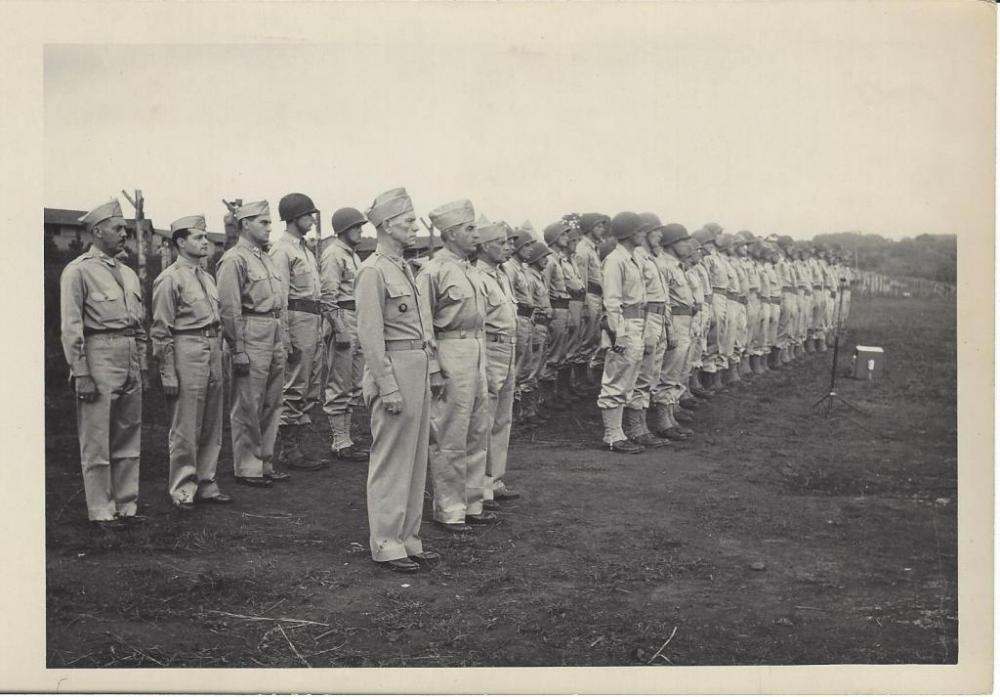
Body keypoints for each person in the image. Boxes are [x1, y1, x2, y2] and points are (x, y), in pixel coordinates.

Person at [356, 187, 441, 572]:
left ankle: (408, 537)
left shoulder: (405, 266)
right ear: (387, 225)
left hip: (416, 364)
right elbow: (371, 337)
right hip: (393, 367)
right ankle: (386, 542)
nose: (414, 227)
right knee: (391, 458)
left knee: (415, 458)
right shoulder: (373, 270)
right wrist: (387, 385)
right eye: (407, 221)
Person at [60, 199, 150, 527]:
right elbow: (71, 326)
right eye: (118, 228)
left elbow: (138, 325)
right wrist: (80, 371)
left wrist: (141, 366)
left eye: (125, 228)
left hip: (127, 354)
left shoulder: (127, 274)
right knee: (96, 436)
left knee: (128, 432)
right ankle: (101, 511)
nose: (125, 234)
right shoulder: (78, 271)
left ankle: (126, 505)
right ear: (97, 232)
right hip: (98, 353)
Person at [418, 199, 496, 531]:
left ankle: (473, 501)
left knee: (479, 428)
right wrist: (434, 367)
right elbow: (424, 325)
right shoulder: (433, 270)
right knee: (450, 432)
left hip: (476, 348)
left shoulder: (470, 269)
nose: (476, 235)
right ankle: (450, 509)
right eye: (469, 229)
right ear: (450, 234)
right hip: (450, 350)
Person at [151, 215, 231, 510]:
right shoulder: (170, 279)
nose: (204, 242)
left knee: (212, 420)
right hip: (187, 346)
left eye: (205, 237)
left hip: (212, 346)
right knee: (186, 423)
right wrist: (167, 371)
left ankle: (207, 482)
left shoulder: (207, 277)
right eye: (197, 237)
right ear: (180, 243)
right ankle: (183, 487)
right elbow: (161, 330)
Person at [216, 200, 290, 487]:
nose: (269, 227)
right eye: (263, 222)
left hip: (272, 329)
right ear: (245, 224)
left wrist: (283, 337)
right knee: (248, 402)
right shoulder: (235, 259)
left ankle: (265, 462)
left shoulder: (266, 258)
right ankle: (247, 466)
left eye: (269, 222)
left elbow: (278, 301)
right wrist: (238, 349)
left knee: (273, 401)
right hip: (250, 329)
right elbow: (230, 308)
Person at [270, 193, 325, 471]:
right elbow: (279, 296)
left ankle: (298, 447)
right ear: (293, 218)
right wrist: (284, 336)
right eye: (307, 216)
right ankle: (287, 449)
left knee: (311, 384)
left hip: (312, 317)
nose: (312, 220)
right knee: (295, 384)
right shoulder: (282, 250)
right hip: (295, 317)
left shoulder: (304, 249)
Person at [474, 217, 521, 507]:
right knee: (485, 417)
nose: (508, 248)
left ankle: (494, 479)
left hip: (508, 348)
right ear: (483, 246)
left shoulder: (501, 274)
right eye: (501, 243)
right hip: (490, 349)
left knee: (503, 418)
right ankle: (479, 485)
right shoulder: (477, 276)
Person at [321, 206, 371, 462]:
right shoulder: (333, 254)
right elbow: (328, 297)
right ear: (343, 229)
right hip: (343, 318)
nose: (360, 231)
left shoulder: (352, 255)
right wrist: (339, 328)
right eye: (356, 227)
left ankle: (347, 438)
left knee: (354, 383)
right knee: (339, 382)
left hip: (357, 318)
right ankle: (339, 441)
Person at [597, 212, 647, 453]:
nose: (644, 234)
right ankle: (612, 434)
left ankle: (619, 431)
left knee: (629, 378)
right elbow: (612, 301)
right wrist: (617, 334)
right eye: (640, 230)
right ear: (630, 233)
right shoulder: (615, 260)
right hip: (624, 324)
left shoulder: (631, 258)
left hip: (636, 322)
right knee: (616, 378)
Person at [623, 213, 672, 447]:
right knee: (641, 373)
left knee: (653, 372)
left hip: (660, 316)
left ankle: (648, 424)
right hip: (646, 317)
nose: (660, 235)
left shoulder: (655, 258)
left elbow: (664, 295)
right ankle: (635, 427)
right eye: (656, 230)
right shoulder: (637, 258)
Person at [652, 222, 700, 440]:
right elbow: (665, 301)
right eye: (682, 240)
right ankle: (663, 420)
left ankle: (671, 415)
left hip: (686, 320)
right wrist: (669, 328)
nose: (687, 245)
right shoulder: (663, 265)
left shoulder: (678, 265)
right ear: (671, 243)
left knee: (679, 370)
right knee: (668, 371)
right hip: (674, 321)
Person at [501, 224, 536, 422]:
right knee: (516, 366)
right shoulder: (510, 268)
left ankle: (524, 410)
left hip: (527, 318)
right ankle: (513, 414)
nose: (530, 249)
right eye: (526, 246)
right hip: (518, 317)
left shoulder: (521, 269)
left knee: (525, 367)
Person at [570, 213, 607, 391]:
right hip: (589, 296)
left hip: (597, 296)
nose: (602, 230)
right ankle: (579, 379)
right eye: (598, 226)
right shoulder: (583, 249)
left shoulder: (593, 248)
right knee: (586, 337)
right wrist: (584, 304)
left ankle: (583, 377)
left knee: (593, 337)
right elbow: (582, 278)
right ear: (590, 228)